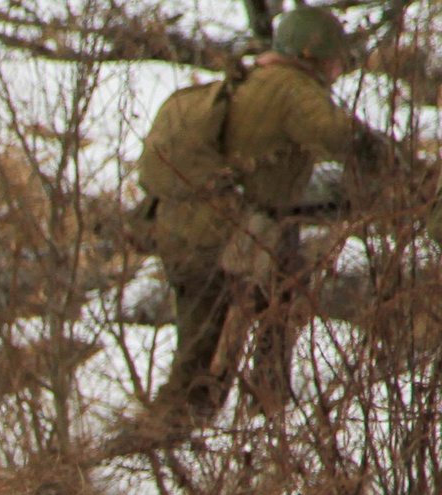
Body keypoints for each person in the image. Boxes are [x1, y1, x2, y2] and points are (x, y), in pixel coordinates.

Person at [137, 4, 395, 426]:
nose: (338, 67)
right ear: (314, 54)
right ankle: (217, 424)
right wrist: (399, 163)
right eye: (335, 57)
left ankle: (237, 417)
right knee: (239, 331)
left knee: (223, 331)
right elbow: (339, 137)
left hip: (188, 226)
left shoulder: (255, 78)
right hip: (225, 236)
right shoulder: (292, 87)